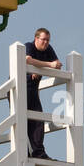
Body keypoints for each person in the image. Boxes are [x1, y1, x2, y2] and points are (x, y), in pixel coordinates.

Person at [24, 28, 62, 159]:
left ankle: (38, 153)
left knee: (38, 120)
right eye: (43, 39)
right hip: (20, 88)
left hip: (32, 90)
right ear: (36, 39)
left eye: (47, 40)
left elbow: (57, 64)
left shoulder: (48, 49)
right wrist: (47, 65)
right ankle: (24, 153)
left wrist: (39, 68)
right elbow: (27, 60)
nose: (45, 43)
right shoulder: (28, 46)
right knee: (23, 120)